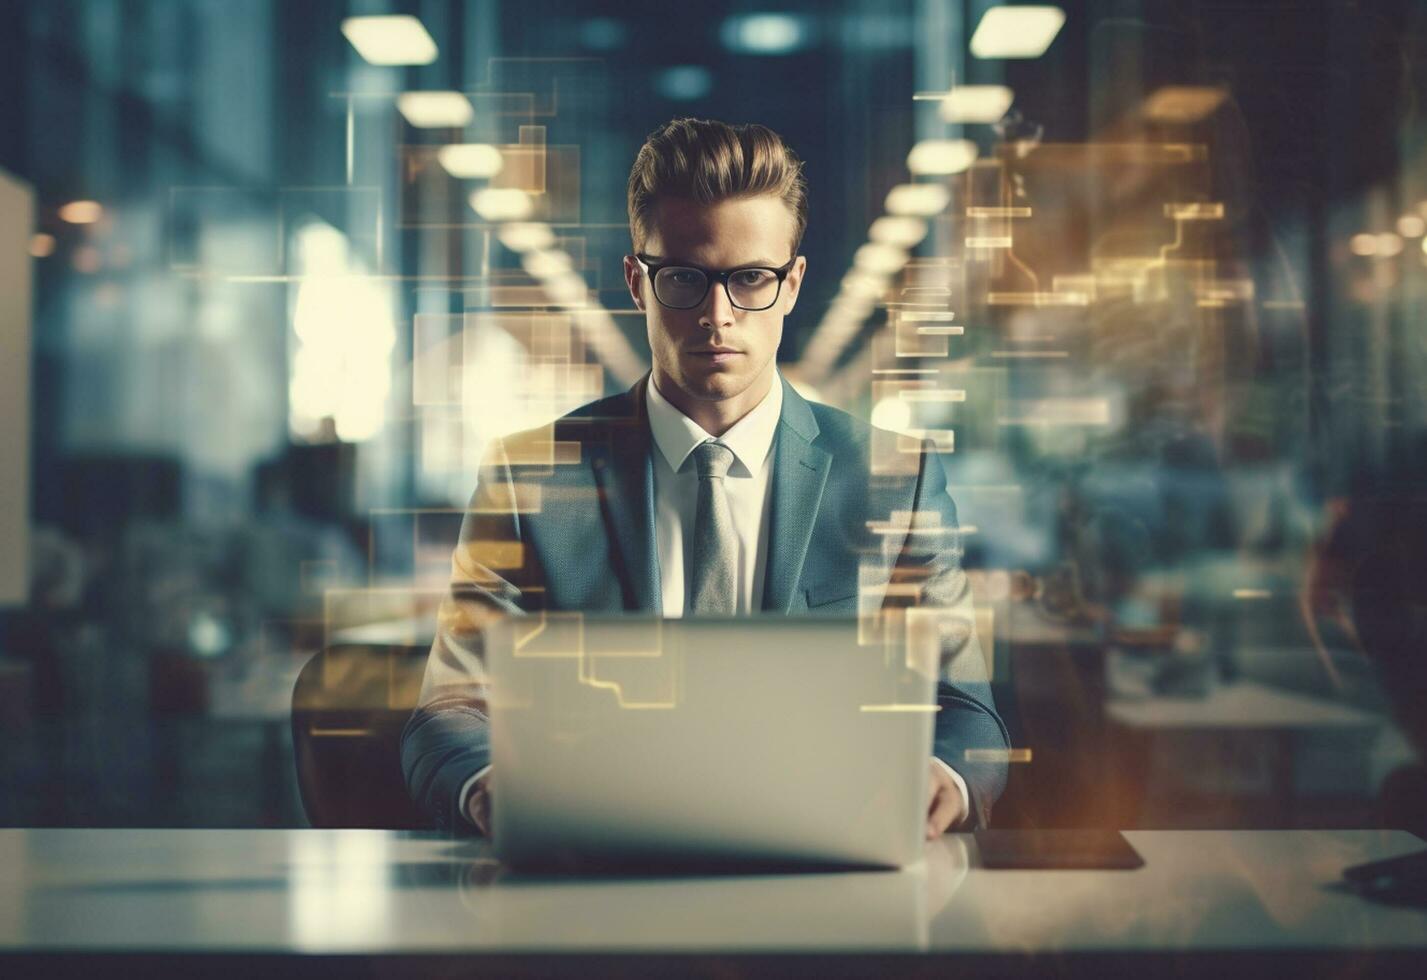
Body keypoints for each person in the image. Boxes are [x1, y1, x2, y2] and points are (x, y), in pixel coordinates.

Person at [401, 118, 1009, 838]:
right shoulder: (530, 478)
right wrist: (492, 785)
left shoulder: (892, 479)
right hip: (594, 869)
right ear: (637, 282)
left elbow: (968, 713)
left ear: (791, 285)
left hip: (827, 875)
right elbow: (448, 711)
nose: (717, 316)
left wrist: (936, 777)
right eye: (685, 278)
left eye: (750, 278)